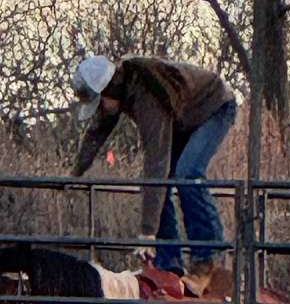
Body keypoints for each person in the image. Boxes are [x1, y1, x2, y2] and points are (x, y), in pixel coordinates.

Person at [71, 54, 237, 285]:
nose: (101, 109)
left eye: (100, 103)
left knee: (186, 174)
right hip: (183, 118)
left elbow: (156, 163)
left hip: (214, 107)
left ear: (109, 89)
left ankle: (207, 256)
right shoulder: (120, 90)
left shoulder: (147, 96)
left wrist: (147, 232)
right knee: (162, 183)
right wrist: (74, 174)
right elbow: (97, 133)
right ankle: (169, 264)